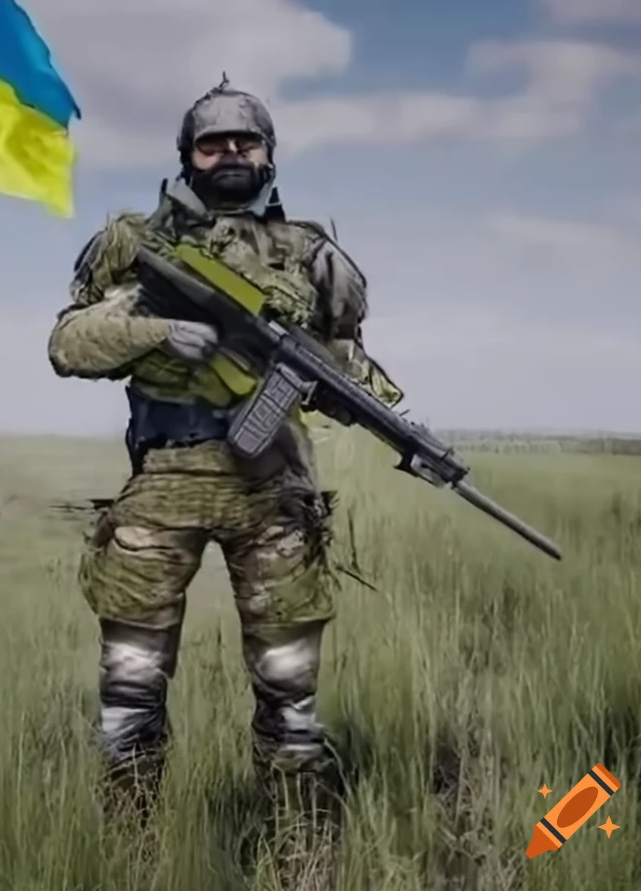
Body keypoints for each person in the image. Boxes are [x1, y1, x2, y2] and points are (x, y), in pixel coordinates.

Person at [46, 77, 401, 822]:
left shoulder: (309, 250)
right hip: (163, 483)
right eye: (214, 143)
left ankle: (296, 845)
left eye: (247, 141)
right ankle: (129, 849)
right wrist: (156, 332)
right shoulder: (133, 243)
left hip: (272, 493)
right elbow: (68, 343)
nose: (232, 153)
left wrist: (341, 348)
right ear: (188, 156)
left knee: (290, 697)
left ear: (269, 155)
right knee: (131, 691)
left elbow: (346, 367)